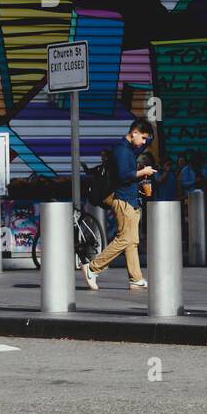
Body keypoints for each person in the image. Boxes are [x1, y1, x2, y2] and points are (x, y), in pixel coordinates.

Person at [83, 118, 157, 292]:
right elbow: (125, 175)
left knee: (131, 242)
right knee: (124, 239)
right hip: (124, 200)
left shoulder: (127, 149)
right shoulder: (123, 151)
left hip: (129, 198)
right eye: (143, 138)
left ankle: (136, 279)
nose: (144, 142)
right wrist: (143, 172)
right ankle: (92, 268)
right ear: (134, 133)